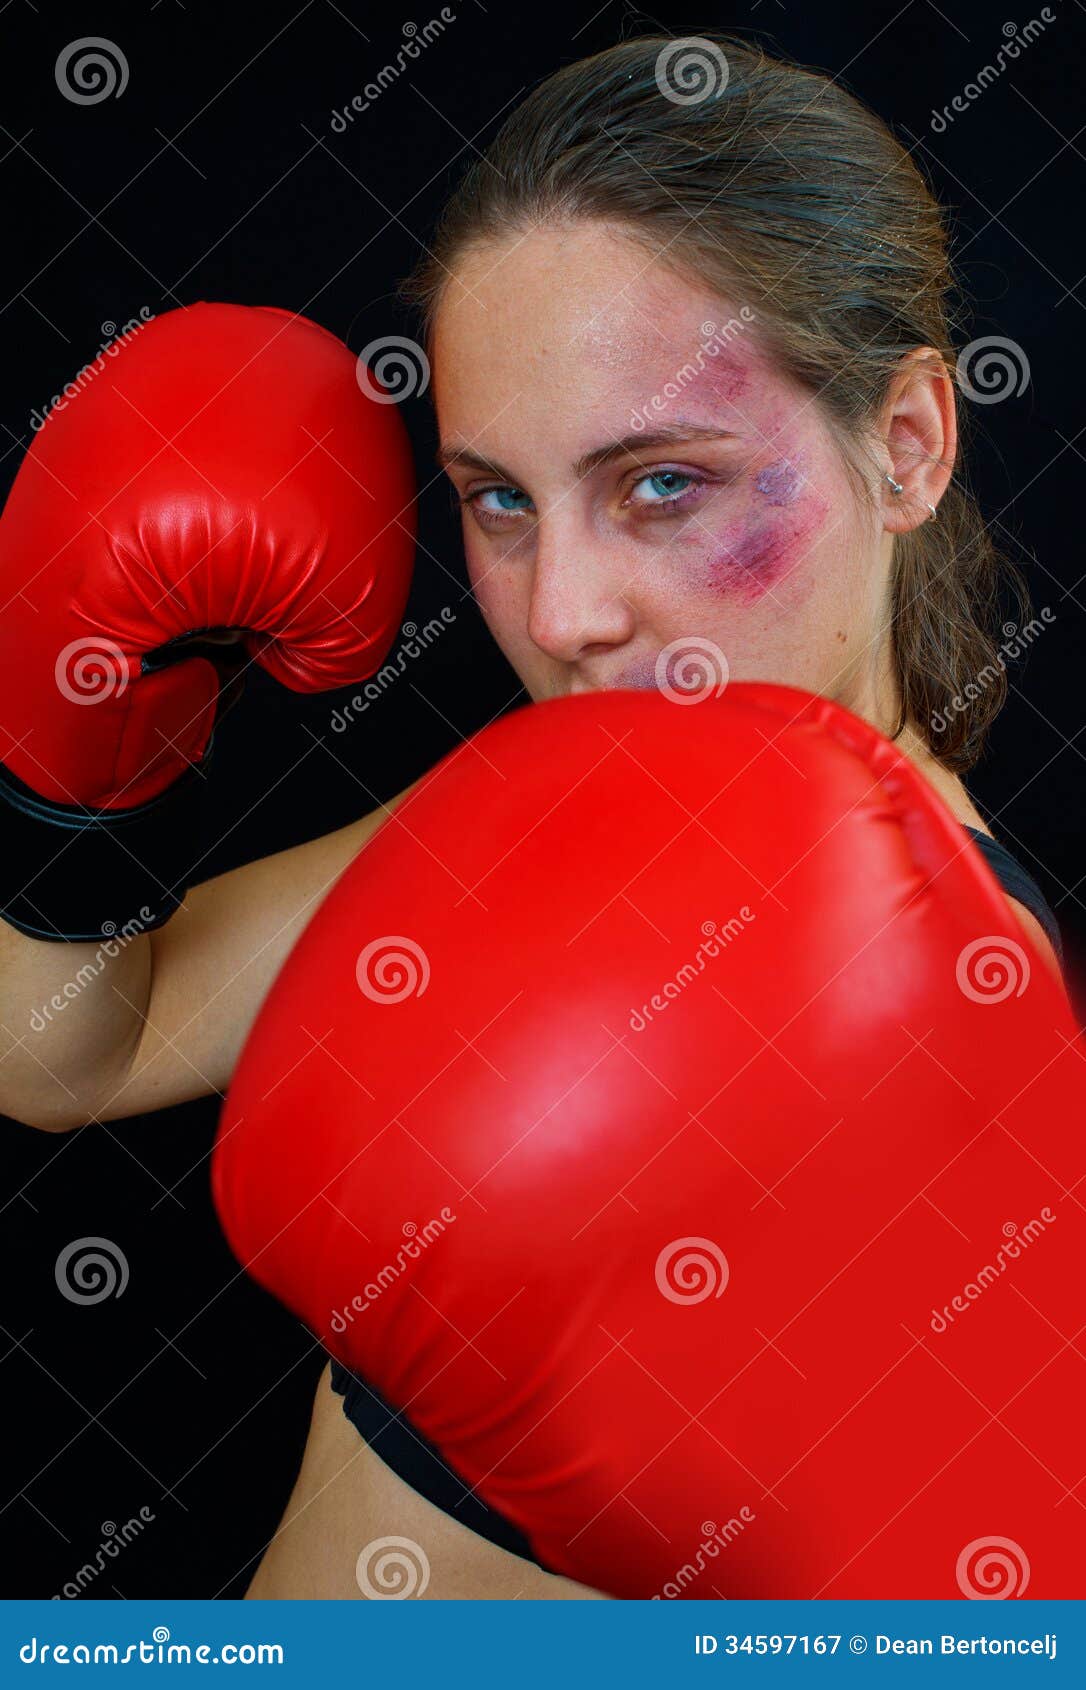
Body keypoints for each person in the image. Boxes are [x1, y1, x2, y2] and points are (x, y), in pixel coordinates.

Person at [0, 32, 1069, 1600]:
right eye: (498, 496)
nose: (560, 611)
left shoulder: (946, 1041)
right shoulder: (568, 808)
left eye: (660, 485)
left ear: (906, 443)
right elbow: (74, 1045)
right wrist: (75, 755)